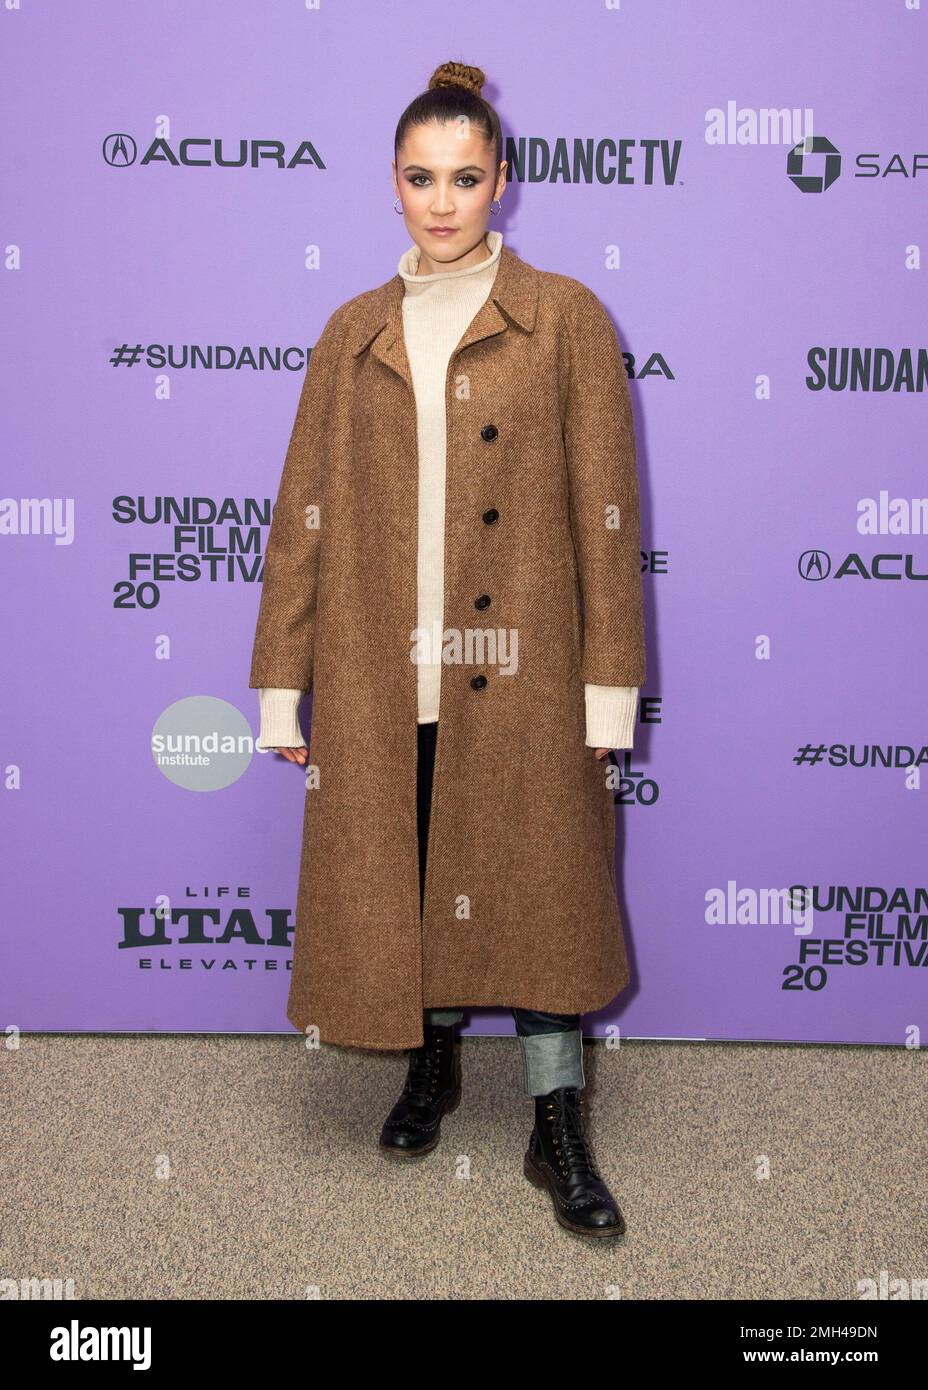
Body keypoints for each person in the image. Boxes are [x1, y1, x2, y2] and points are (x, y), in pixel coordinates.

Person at [249, 61, 646, 1239]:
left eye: (464, 177)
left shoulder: (565, 316)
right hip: (385, 672)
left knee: (544, 895)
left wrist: (606, 691)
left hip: (522, 666)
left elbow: (605, 519)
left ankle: (555, 1118)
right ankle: (426, 1066)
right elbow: (302, 512)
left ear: (501, 183)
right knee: (403, 867)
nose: (441, 200)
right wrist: (283, 683)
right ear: (391, 183)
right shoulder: (350, 329)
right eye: (421, 177)